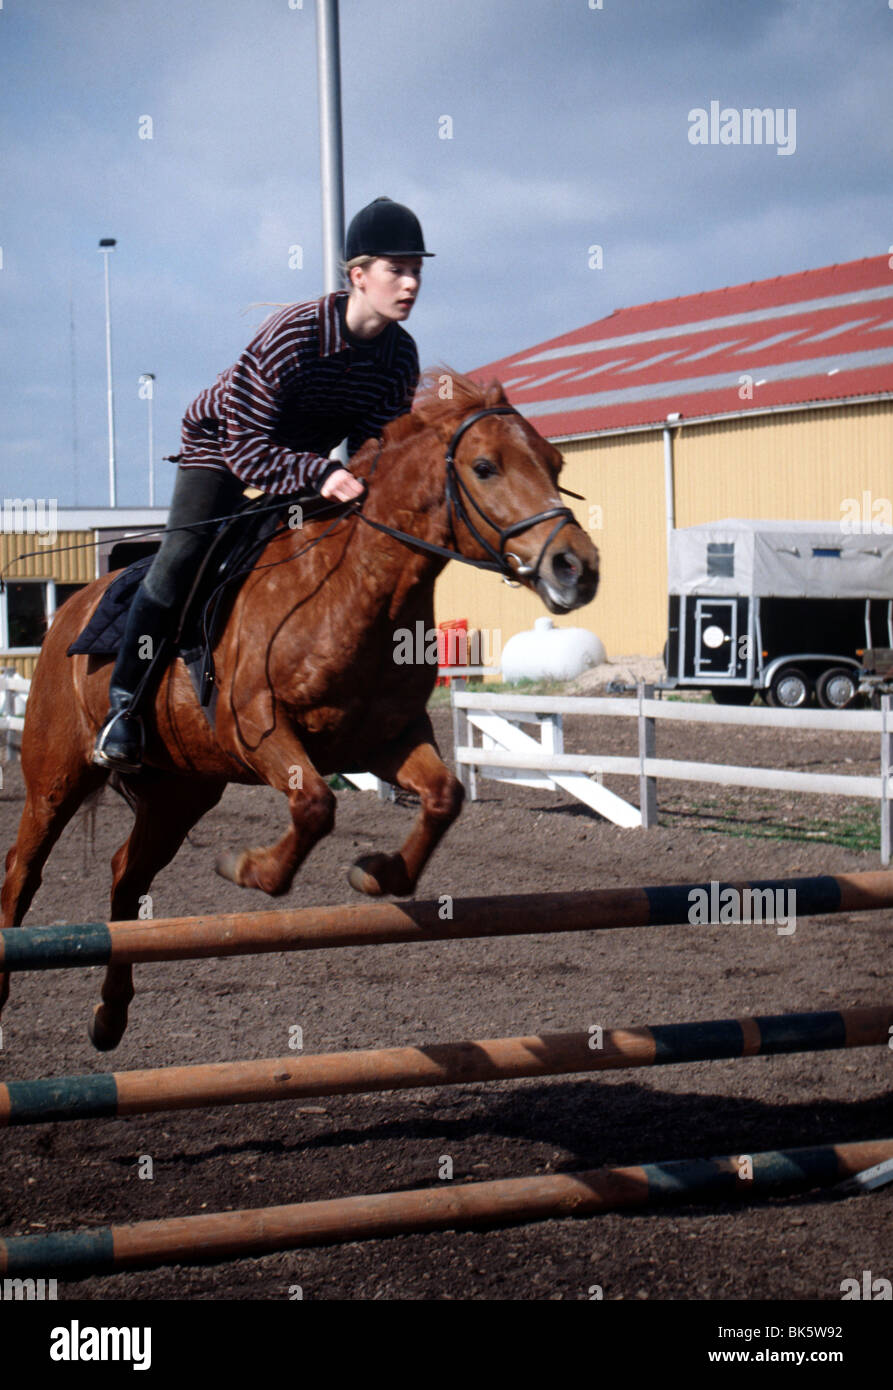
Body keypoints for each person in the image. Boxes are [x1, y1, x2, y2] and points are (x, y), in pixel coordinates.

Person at [93, 196, 433, 773]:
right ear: (358, 275)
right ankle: (122, 708)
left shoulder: (401, 355)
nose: (410, 283)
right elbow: (250, 451)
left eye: (417, 271)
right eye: (396, 269)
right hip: (223, 446)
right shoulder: (293, 334)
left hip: (303, 458)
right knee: (181, 557)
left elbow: (377, 448)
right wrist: (323, 472)